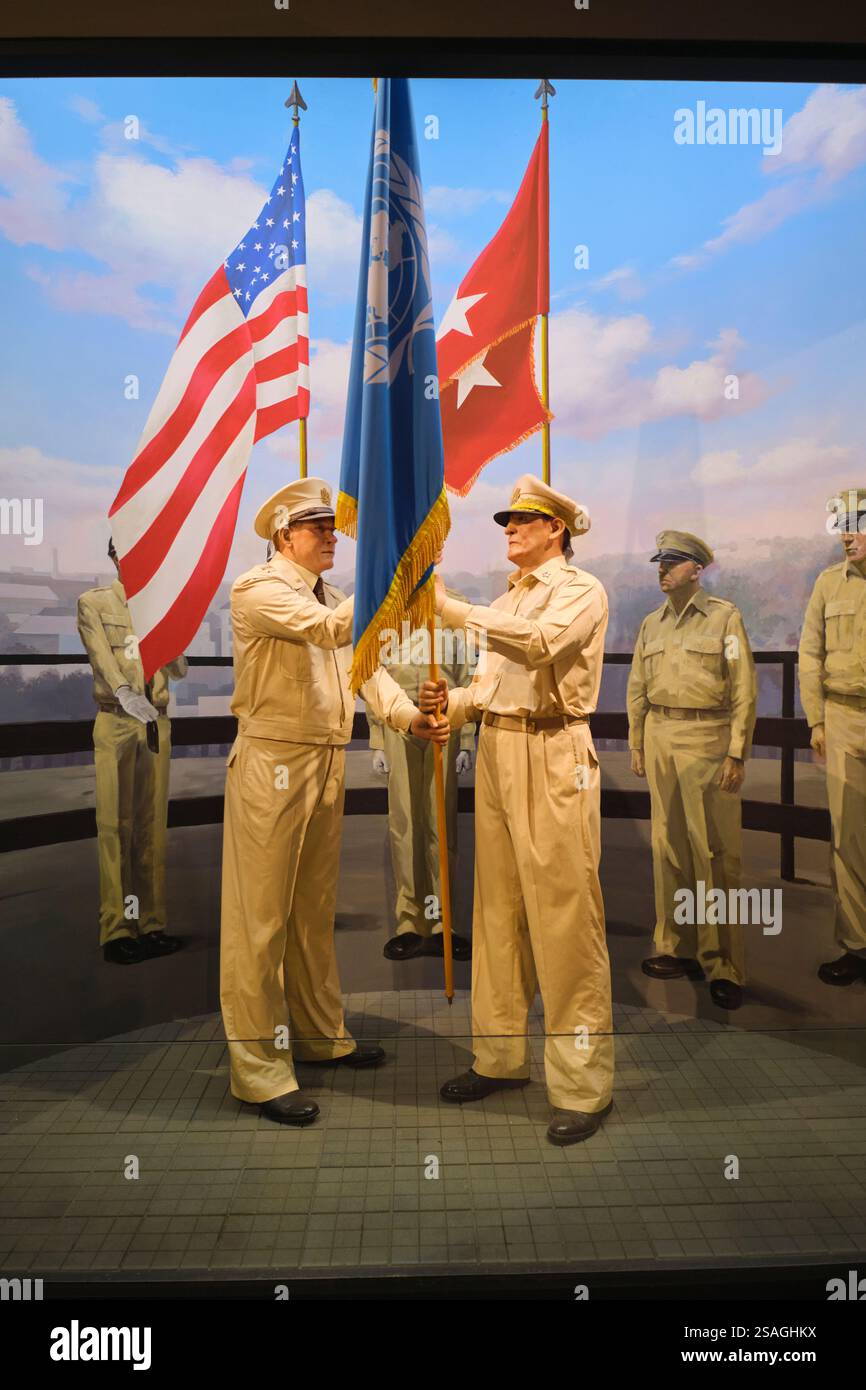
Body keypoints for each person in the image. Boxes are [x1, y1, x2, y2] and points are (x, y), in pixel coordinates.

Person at [220, 477, 449, 1126]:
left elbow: (366, 671)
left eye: (332, 527)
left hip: (320, 760)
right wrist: (387, 565)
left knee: (311, 912)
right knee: (258, 921)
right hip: (272, 760)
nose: (330, 537)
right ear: (282, 536)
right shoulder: (259, 588)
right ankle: (258, 1072)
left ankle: (320, 1036)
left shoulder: (333, 598)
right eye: (317, 528)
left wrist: (411, 720)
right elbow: (327, 634)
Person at [419, 473, 614, 1146]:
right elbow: (488, 683)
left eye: (521, 520)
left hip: (553, 751)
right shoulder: (512, 597)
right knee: (496, 914)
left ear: (555, 529)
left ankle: (584, 1086)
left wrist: (452, 610)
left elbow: (537, 647)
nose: (508, 527)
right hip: (500, 749)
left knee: (565, 920)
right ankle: (499, 1058)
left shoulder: (580, 592)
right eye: (505, 520)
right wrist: (452, 707)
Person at [627, 531, 757, 1010]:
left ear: (696, 569)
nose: (662, 570)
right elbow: (637, 686)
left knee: (716, 854)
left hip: (708, 737)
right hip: (661, 735)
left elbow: (743, 689)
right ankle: (676, 946)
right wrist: (637, 741)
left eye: (673, 562)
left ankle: (723, 963)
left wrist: (737, 752)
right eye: (659, 561)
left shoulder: (724, 618)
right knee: (669, 847)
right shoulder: (651, 625)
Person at [77, 538, 188, 964]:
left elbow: (178, 668)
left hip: (155, 721)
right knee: (114, 825)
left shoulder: (157, 607)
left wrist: (174, 624)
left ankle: (151, 923)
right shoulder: (95, 603)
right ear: (115, 556)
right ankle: (118, 928)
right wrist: (125, 693)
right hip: (117, 721)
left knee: (150, 827)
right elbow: (102, 658)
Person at [367, 553, 476, 961]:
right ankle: (411, 921)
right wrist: (378, 739)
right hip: (399, 724)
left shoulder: (455, 606)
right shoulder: (386, 611)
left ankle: (442, 922)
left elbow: (467, 675)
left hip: (444, 722)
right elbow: (371, 673)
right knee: (405, 825)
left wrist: (466, 739)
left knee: (440, 826)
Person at [799, 487, 866, 986]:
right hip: (844, 719)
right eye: (842, 524)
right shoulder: (828, 584)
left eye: (857, 522)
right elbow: (810, 655)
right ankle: (858, 946)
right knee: (848, 839)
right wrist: (817, 721)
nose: (846, 535)